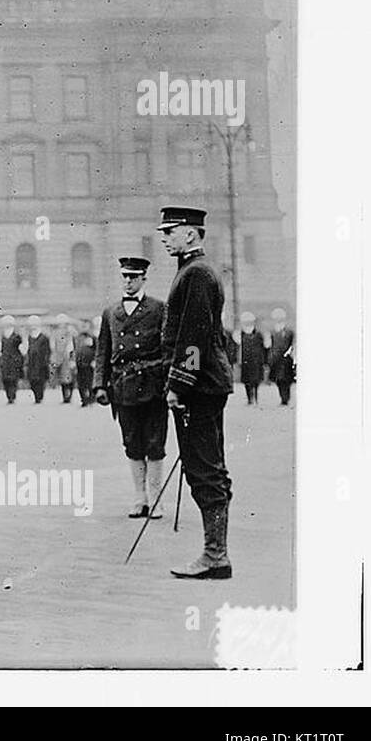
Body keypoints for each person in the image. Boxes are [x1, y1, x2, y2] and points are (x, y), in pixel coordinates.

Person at [157, 206, 234, 580]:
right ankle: (214, 552)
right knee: (203, 466)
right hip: (203, 385)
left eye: (170, 230)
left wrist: (177, 386)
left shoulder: (197, 274)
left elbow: (193, 338)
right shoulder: (192, 271)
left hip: (199, 387)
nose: (164, 237)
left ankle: (215, 555)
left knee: (205, 468)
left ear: (191, 233)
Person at [93, 257, 169, 519]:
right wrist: (99, 385)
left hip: (153, 385)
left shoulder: (159, 309)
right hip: (123, 387)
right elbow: (103, 351)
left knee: (155, 442)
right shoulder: (111, 312)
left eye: (133, 277)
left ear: (143, 279)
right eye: (125, 276)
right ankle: (140, 497)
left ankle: (157, 499)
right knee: (132, 443)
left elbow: (169, 347)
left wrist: (174, 382)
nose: (128, 281)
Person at [235, 311, 268, 405]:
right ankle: (249, 398)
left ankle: (256, 398)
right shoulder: (240, 334)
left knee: (256, 380)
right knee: (247, 381)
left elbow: (264, 347)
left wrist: (263, 360)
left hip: (256, 361)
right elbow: (238, 347)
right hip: (246, 360)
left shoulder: (258, 334)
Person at [267, 307, 296, 405]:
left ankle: (285, 398)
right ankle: (283, 397)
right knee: (278, 380)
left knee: (286, 380)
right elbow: (270, 345)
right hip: (276, 359)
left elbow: (291, 345)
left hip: (286, 359)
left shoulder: (289, 332)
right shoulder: (272, 332)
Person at [50, 314, 78, 404]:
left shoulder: (69, 332)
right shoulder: (55, 332)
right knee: (62, 377)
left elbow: (72, 344)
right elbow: (53, 344)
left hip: (68, 357)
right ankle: (65, 396)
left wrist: (70, 355)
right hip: (59, 356)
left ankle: (69, 395)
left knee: (68, 376)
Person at [25, 316, 51, 404]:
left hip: (41, 363)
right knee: (32, 381)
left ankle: (39, 397)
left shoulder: (44, 337)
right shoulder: (29, 337)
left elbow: (48, 351)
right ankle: (36, 395)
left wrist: (46, 361)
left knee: (40, 380)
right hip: (31, 363)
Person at [0, 315, 23, 404]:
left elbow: (21, 348)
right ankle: (8, 395)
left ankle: (12, 396)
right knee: (6, 379)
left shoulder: (17, 336)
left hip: (14, 360)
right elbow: (0, 349)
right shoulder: (2, 336)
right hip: (5, 360)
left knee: (13, 379)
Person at [74, 320, 97, 406]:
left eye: (86, 326)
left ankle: (91, 398)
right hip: (79, 363)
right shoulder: (77, 338)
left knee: (90, 382)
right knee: (81, 382)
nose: (84, 328)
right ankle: (84, 399)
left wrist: (94, 360)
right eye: (82, 326)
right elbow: (74, 349)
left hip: (89, 363)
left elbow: (97, 350)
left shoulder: (93, 338)